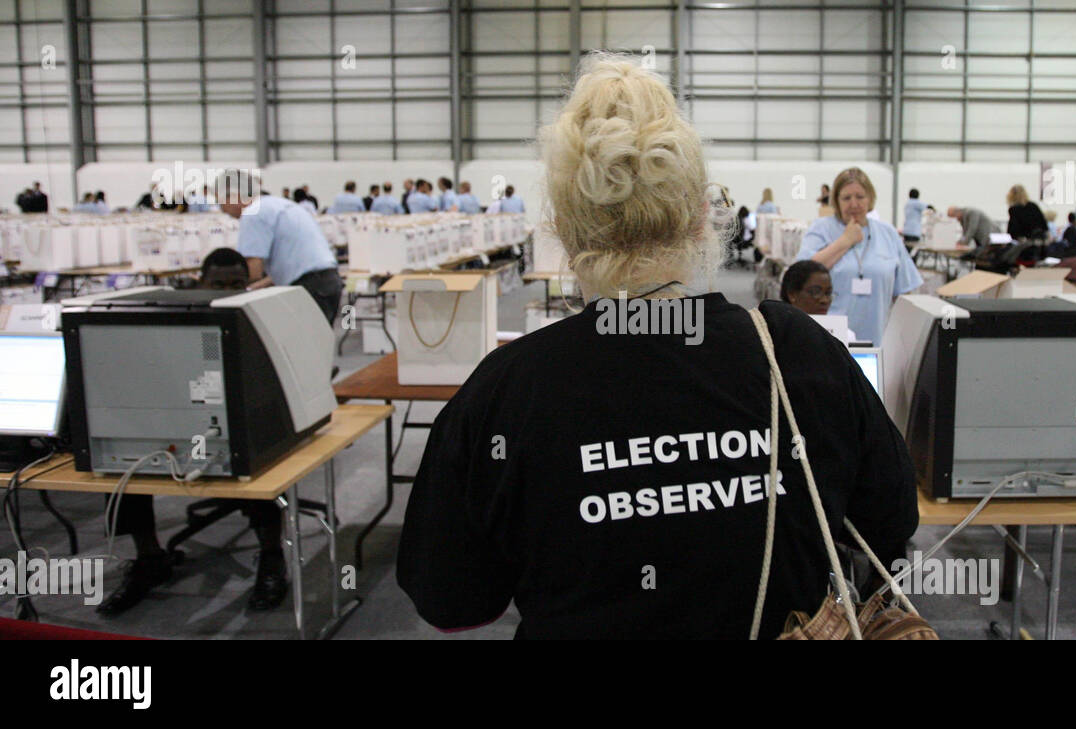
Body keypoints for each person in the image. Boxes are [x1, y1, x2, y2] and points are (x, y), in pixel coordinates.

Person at [396, 55, 918, 639]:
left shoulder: (506, 390)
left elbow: (452, 601)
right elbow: (890, 520)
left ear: (565, 231)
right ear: (701, 217)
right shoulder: (797, 352)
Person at [96, 248, 289, 616]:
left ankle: (271, 555)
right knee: (121, 459)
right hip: (179, 411)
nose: (229, 290)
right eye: (219, 284)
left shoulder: (258, 317)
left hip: (241, 417)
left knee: (266, 450)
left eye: (237, 283)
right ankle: (148, 556)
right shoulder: (170, 318)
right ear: (200, 282)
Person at [798, 168, 923, 346]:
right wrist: (845, 241)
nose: (854, 204)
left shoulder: (887, 233)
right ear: (836, 201)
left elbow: (905, 292)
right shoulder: (821, 229)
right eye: (846, 198)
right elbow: (803, 275)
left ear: (870, 199)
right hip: (828, 340)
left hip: (877, 340)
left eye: (860, 197)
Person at [217, 169, 344, 326]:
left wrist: (233, 294)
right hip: (328, 282)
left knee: (299, 345)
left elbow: (252, 266)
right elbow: (288, 268)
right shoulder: (279, 204)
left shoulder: (253, 213)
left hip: (310, 287)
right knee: (315, 346)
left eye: (221, 203)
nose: (223, 210)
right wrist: (256, 287)